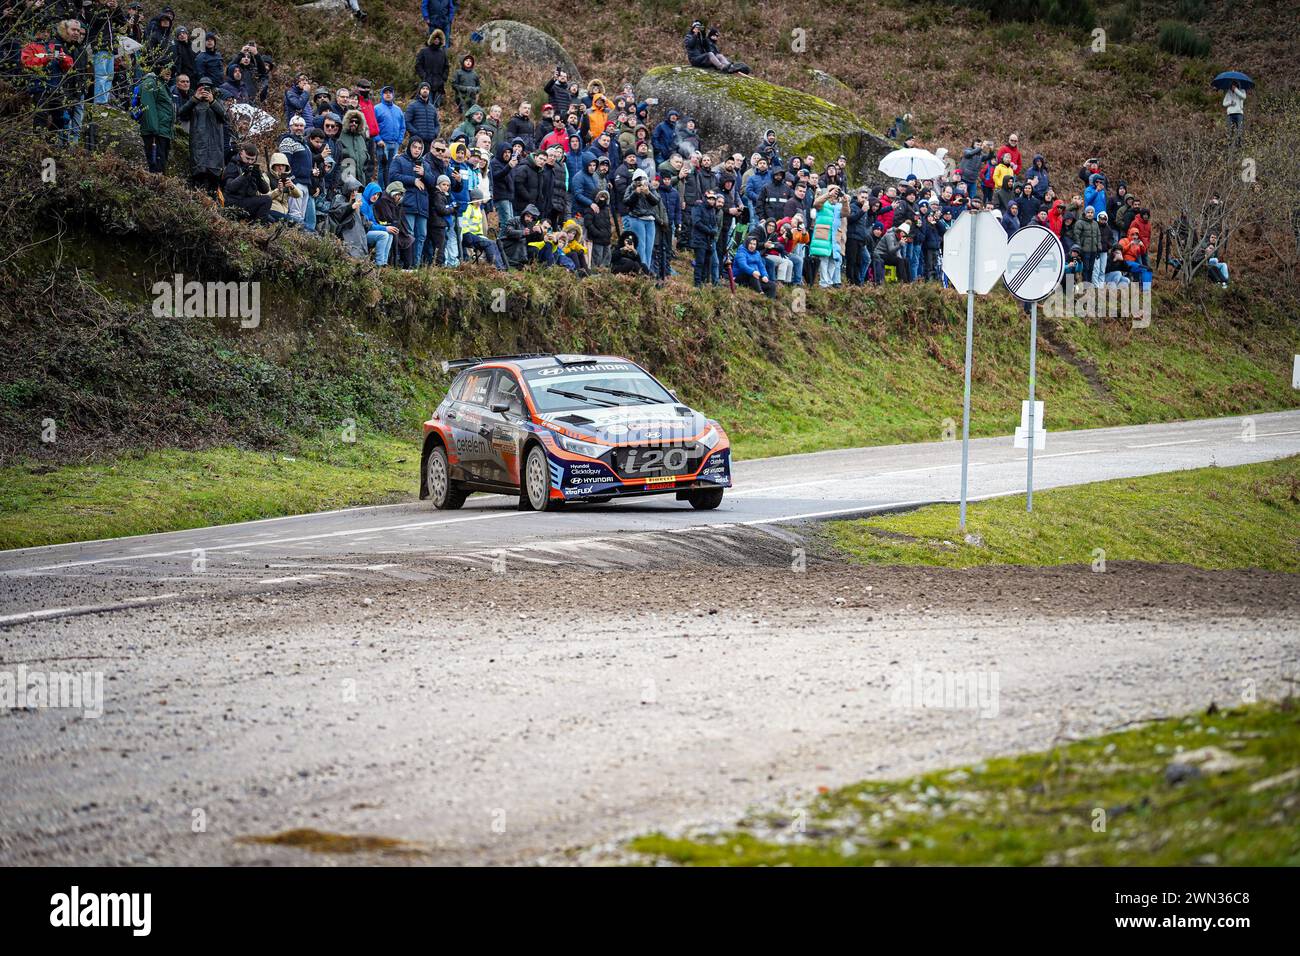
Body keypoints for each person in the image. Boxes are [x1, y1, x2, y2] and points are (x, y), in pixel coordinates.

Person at [177, 75, 227, 196]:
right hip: (198, 149)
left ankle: (214, 210)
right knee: (199, 186)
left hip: (215, 152)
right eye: (202, 88)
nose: (205, 91)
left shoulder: (218, 102)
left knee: (213, 187)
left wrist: (212, 101)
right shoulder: (194, 103)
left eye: (208, 88)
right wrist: (194, 99)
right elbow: (181, 113)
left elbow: (225, 116)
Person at [137, 61, 175, 173]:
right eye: (166, 67)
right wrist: (153, 130)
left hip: (163, 132)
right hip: (155, 134)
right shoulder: (150, 82)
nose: (169, 71)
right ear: (158, 68)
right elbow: (148, 106)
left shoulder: (162, 85)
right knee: (155, 168)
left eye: (171, 69)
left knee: (161, 167)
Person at [361, 182, 396, 265]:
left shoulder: (370, 205)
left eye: (378, 195)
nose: (375, 197)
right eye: (374, 194)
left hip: (367, 231)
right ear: (369, 191)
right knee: (384, 235)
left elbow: (373, 222)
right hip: (361, 233)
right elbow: (367, 225)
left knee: (390, 234)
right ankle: (379, 264)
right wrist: (385, 228)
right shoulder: (363, 203)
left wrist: (386, 228)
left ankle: (384, 262)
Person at [415, 29, 448, 111]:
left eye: (439, 39)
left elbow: (446, 66)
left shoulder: (442, 53)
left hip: (439, 84)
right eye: (435, 39)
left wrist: (444, 77)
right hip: (427, 82)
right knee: (427, 105)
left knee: (436, 108)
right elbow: (418, 65)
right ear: (432, 39)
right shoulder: (424, 51)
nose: (437, 40)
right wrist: (423, 75)